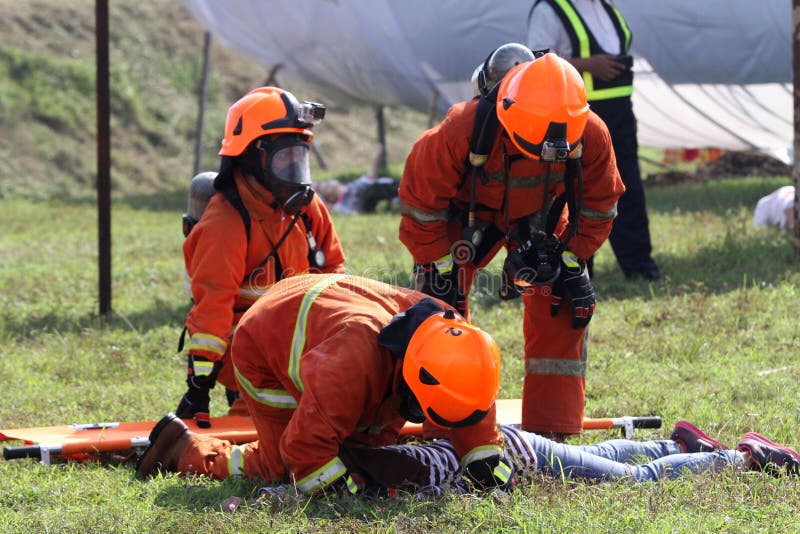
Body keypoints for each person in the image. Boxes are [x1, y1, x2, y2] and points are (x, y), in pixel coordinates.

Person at [398, 50, 625, 441]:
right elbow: (421, 208)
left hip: (543, 218)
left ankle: (551, 433)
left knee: (562, 301)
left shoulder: (590, 133)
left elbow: (600, 205)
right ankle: (448, 427)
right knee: (439, 312)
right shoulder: (462, 128)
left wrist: (571, 258)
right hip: (467, 217)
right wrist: (441, 267)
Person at [138, 274, 512, 494]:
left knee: (365, 448)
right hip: (265, 339)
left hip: (322, 312)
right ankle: (184, 450)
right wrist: (343, 490)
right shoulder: (351, 366)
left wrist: (486, 460)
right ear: (410, 377)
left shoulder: (457, 343)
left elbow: (473, 410)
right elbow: (305, 452)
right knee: (278, 466)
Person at [176, 87, 346, 428]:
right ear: (253, 157)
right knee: (277, 429)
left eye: (300, 157)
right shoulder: (226, 222)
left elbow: (335, 274)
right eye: (286, 158)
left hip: (298, 346)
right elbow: (213, 308)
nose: (295, 169)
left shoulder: (306, 208)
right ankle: (251, 413)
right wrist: (199, 387)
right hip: (247, 355)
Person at [300, 420, 800, 497]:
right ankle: (679, 446)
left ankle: (745, 459)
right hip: (504, 444)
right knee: (595, 454)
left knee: (631, 481)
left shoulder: (379, 467)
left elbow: (383, 482)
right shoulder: (364, 459)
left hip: (514, 457)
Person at [528, 0, 661, 281]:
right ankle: (576, 269)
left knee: (628, 190)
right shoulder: (549, 10)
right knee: (575, 193)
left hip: (619, 115)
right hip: (577, 119)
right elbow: (537, 64)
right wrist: (587, 65)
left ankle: (639, 267)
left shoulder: (607, 6)